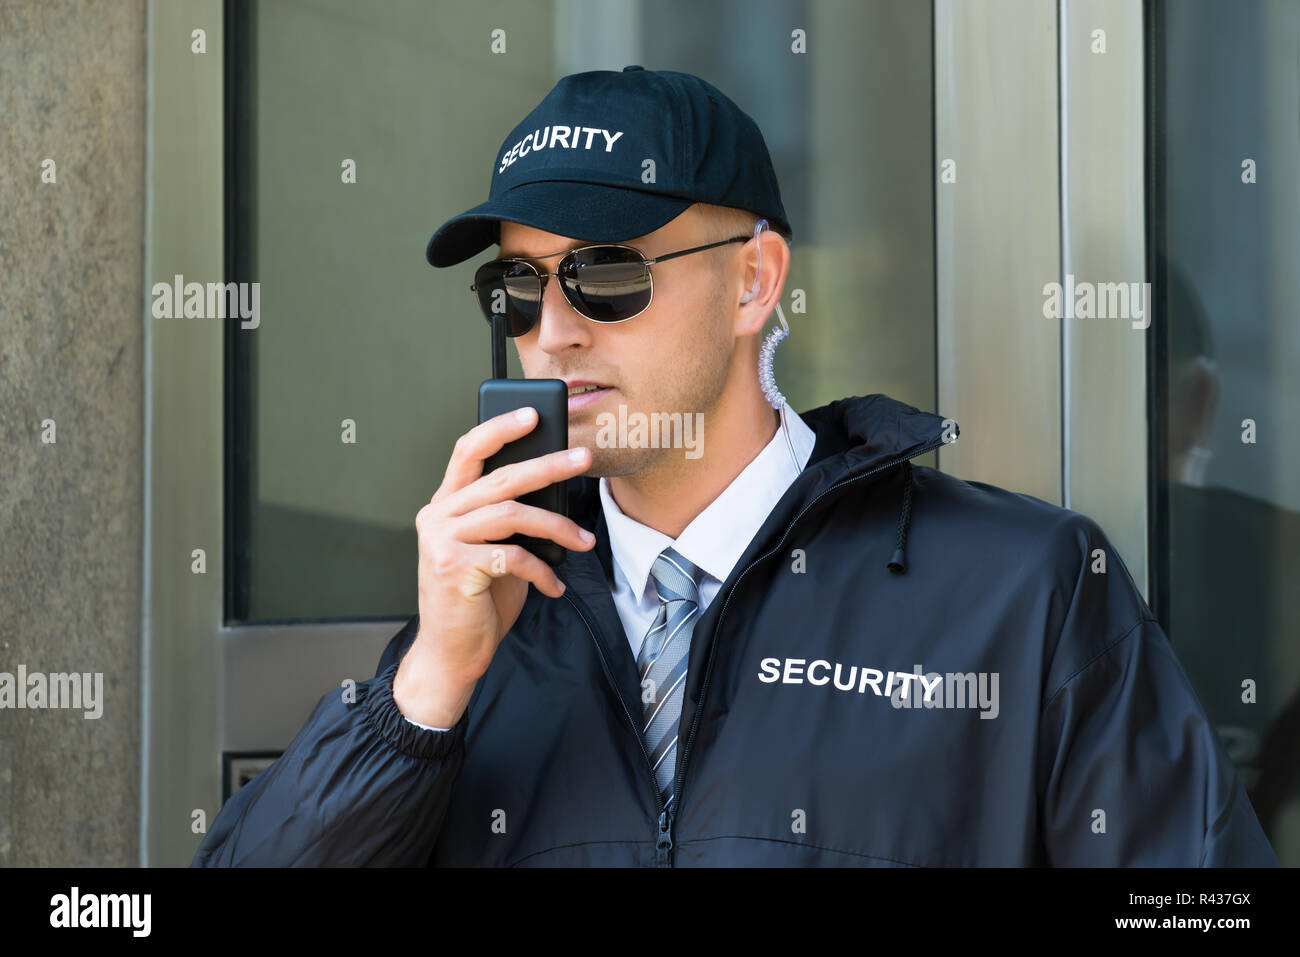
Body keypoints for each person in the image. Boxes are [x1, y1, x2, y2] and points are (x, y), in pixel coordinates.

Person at [193, 66, 1277, 867]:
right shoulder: (486, 613)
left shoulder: (1020, 586)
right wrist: (423, 690)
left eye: (604, 274)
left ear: (754, 281)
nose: (552, 331)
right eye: (517, 289)